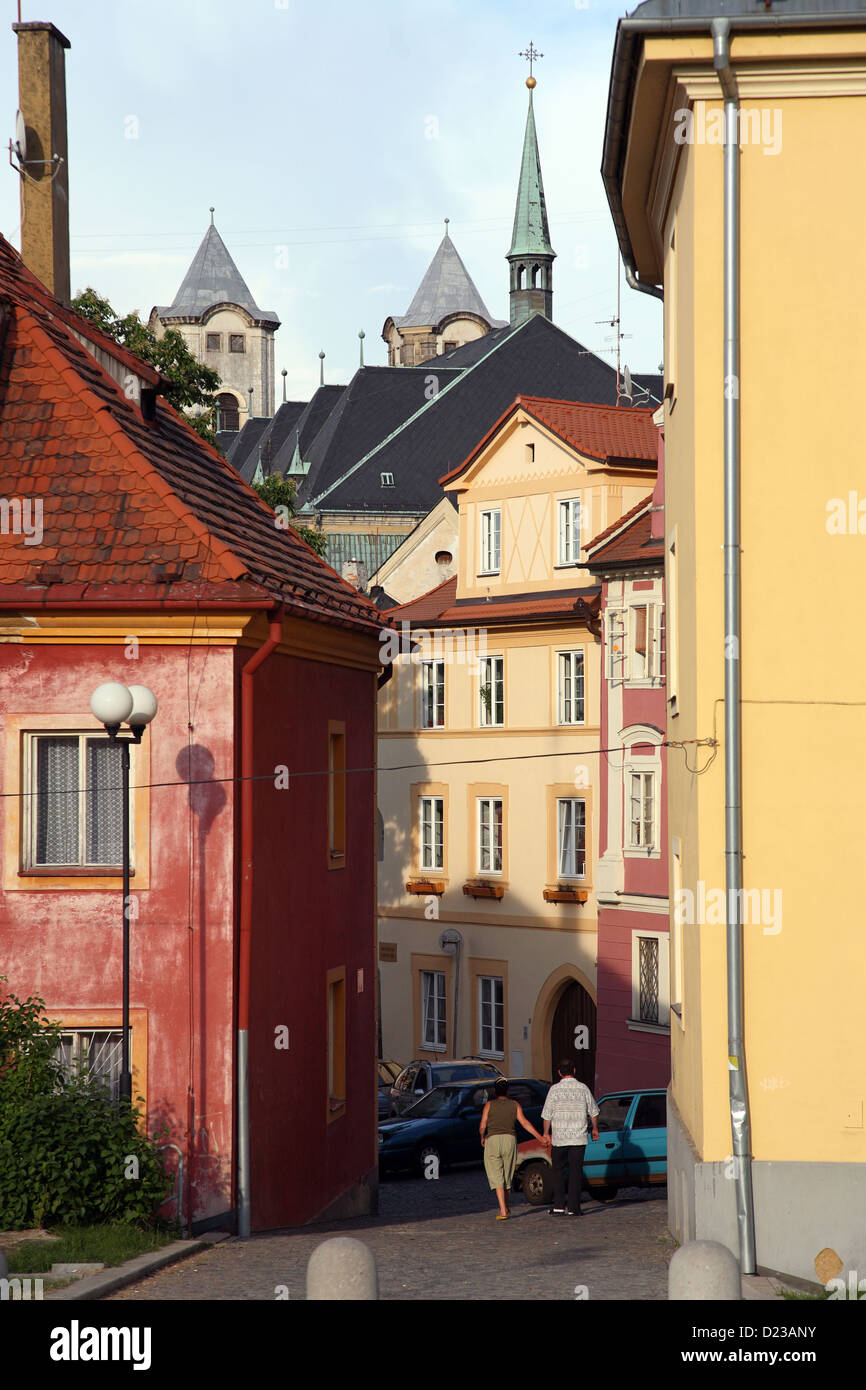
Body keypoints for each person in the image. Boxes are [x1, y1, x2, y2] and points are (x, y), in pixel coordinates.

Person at [479, 1079, 548, 1220]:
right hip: (509, 1140)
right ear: (508, 1091)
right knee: (508, 1175)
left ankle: (503, 1210)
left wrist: (482, 1136)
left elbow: (482, 1125)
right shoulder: (514, 1105)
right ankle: (506, 1206)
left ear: (495, 1091)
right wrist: (540, 1138)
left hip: (492, 1140)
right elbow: (524, 1123)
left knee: (497, 1176)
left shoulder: (489, 1105)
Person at [541, 1059, 599, 1216]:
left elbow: (547, 1115)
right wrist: (595, 1128)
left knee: (557, 1171)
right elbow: (593, 1111)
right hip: (578, 1138)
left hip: (559, 1137)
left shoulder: (554, 1090)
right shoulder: (583, 1088)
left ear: (559, 1072)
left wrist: (546, 1133)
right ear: (574, 1070)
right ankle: (574, 1207)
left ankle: (559, 1205)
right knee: (575, 1172)